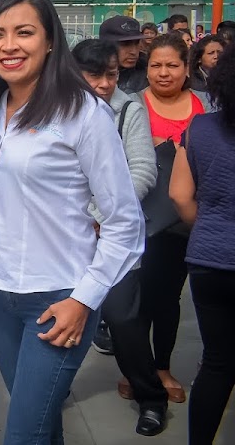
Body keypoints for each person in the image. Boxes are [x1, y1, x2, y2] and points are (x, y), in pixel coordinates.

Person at [0, 0, 144, 444]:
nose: (9, 46)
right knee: (43, 425)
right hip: (0, 295)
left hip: (59, 299)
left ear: (49, 42)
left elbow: (125, 222)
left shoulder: (83, 113)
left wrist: (84, 300)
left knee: (22, 435)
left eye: (24, 32)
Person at [71, 39, 167, 435]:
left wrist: (96, 215)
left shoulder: (128, 109)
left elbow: (143, 170)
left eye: (111, 74)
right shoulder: (54, 111)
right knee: (57, 316)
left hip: (112, 235)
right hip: (64, 237)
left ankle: (151, 397)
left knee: (123, 319)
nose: (105, 84)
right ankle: (49, 386)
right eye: (95, 75)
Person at [136, 33, 212, 406]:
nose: (163, 73)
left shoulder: (207, 106)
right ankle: (137, 369)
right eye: (155, 65)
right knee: (142, 299)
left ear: (187, 68)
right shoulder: (132, 107)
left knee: (171, 300)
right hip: (146, 222)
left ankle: (162, 366)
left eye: (172, 66)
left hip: (195, 219)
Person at [168, 43, 235, 445]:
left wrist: (208, 229)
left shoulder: (199, 128)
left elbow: (179, 196)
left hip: (209, 263)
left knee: (217, 363)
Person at [99, 15, 149, 93]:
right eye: (125, 44)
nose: (134, 51)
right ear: (106, 44)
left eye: (137, 43)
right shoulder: (84, 74)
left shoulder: (148, 75)